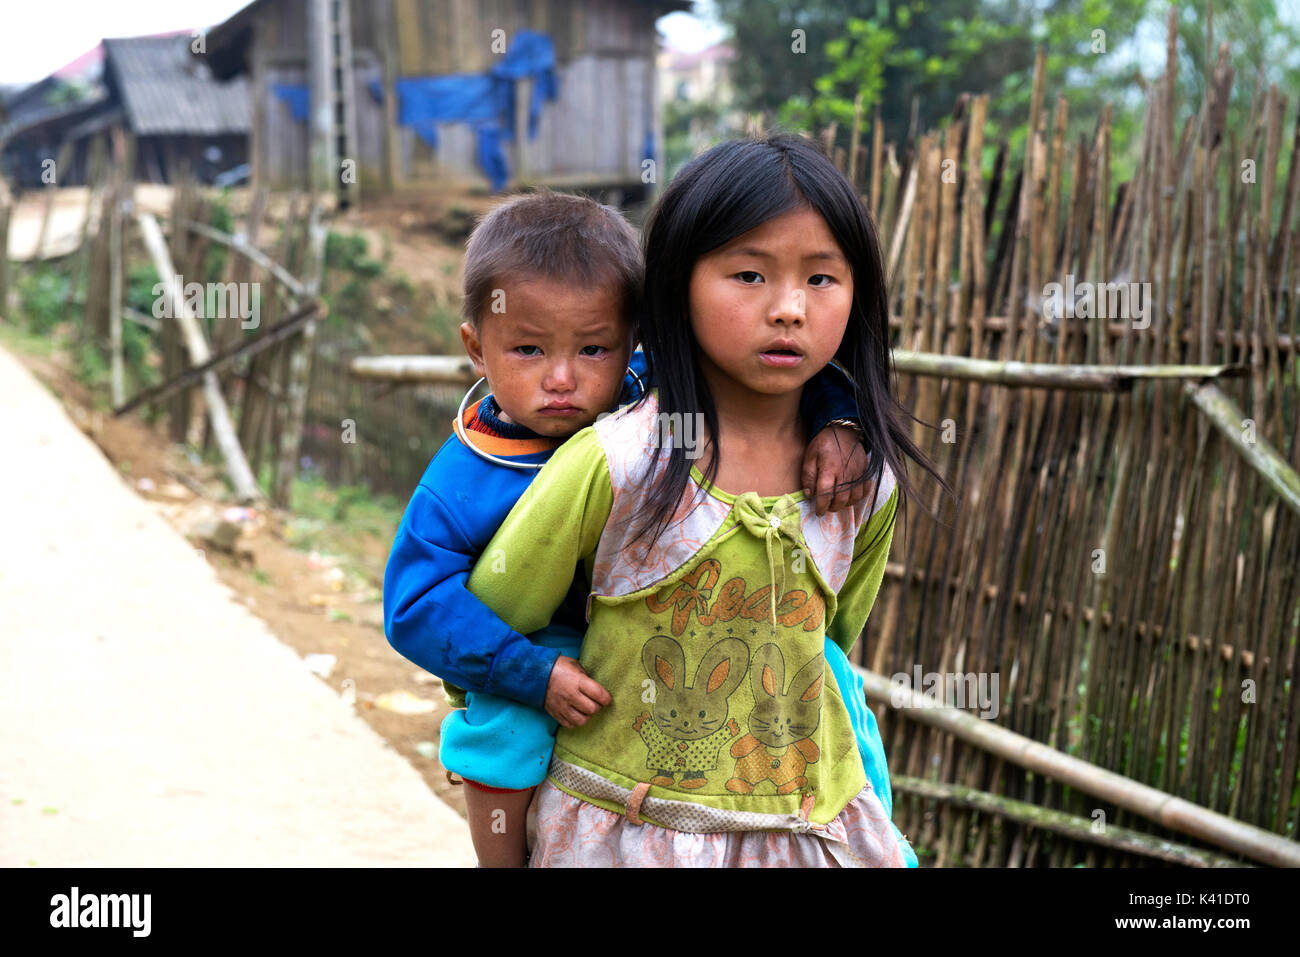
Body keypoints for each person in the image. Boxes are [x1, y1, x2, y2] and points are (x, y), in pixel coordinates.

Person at [463, 134, 952, 867]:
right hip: (625, 829)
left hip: (801, 834)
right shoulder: (616, 464)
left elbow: (831, 637)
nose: (789, 308)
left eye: (822, 279)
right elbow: (496, 621)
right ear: (677, 286)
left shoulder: (861, 483)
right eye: (749, 274)